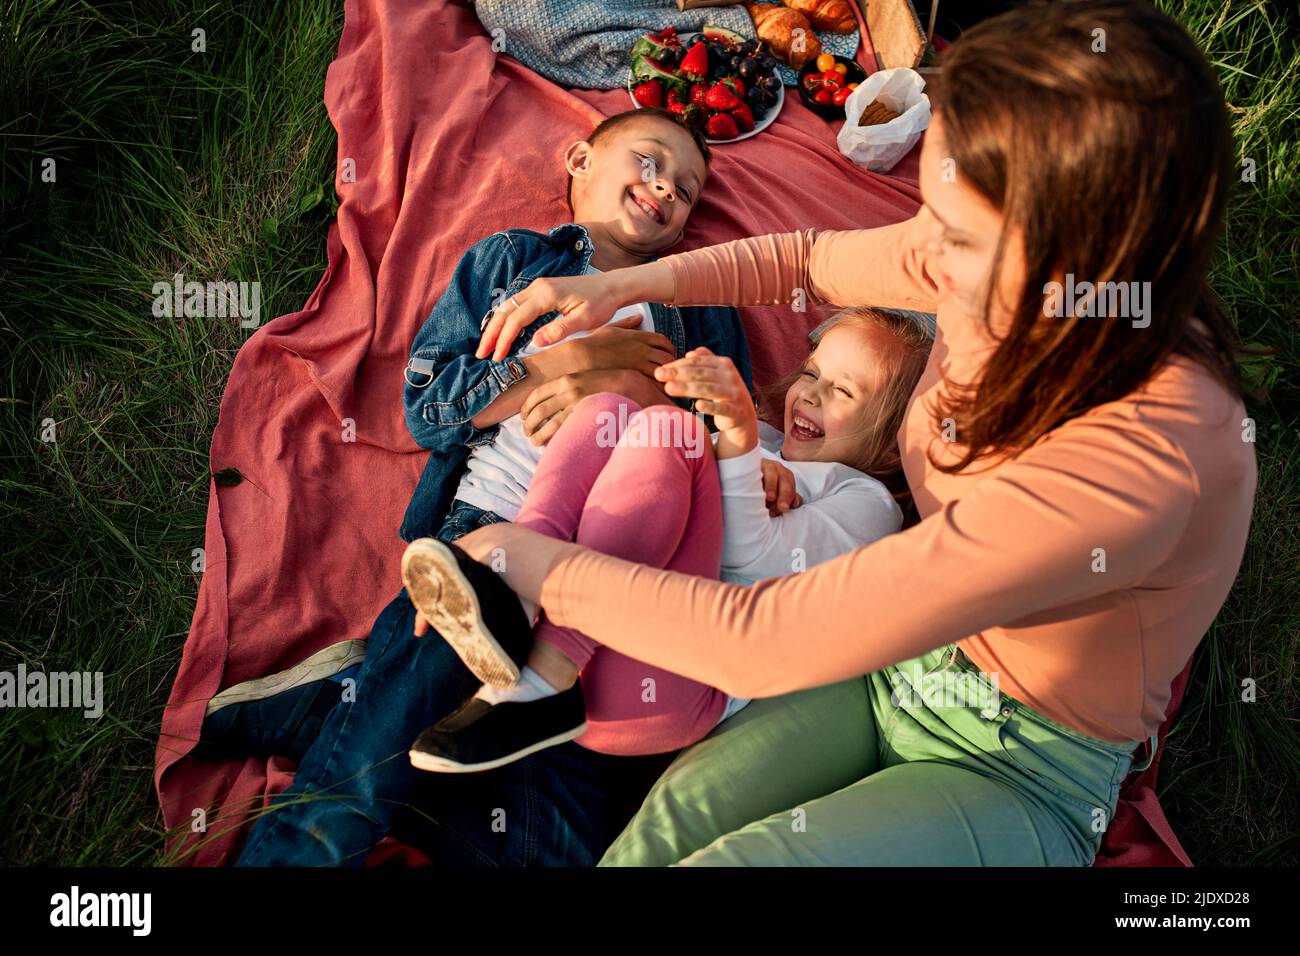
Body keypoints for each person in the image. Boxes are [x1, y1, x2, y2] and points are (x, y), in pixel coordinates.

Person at [457, 0, 1257, 865]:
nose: (924, 248)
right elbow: (803, 258)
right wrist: (624, 286)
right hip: (890, 667)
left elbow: (761, 640)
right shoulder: (997, 269)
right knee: (656, 841)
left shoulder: (1141, 456)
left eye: (952, 231)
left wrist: (532, 563)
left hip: (1020, 767)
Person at [206, 106, 754, 866]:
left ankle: (330, 704)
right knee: (367, 781)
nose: (669, 191)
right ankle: (331, 773)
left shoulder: (702, 306)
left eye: (690, 191)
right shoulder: (513, 262)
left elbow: (727, 440)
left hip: (619, 552)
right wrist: (571, 364)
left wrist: (631, 380)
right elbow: (432, 409)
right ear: (579, 161)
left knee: (550, 839)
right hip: (488, 533)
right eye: (653, 161)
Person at [401, 307, 928, 772]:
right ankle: (516, 600)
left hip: (673, 686)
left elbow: (751, 562)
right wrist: (744, 453)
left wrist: (738, 446)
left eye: (842, 391)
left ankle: (553, 658)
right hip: (605, 640)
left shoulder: (866, 502)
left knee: (671, 431)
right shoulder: (770, 446)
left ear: (892, 447)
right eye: (812, 372)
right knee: (607, 411)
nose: (811, 392)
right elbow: (653, 484)